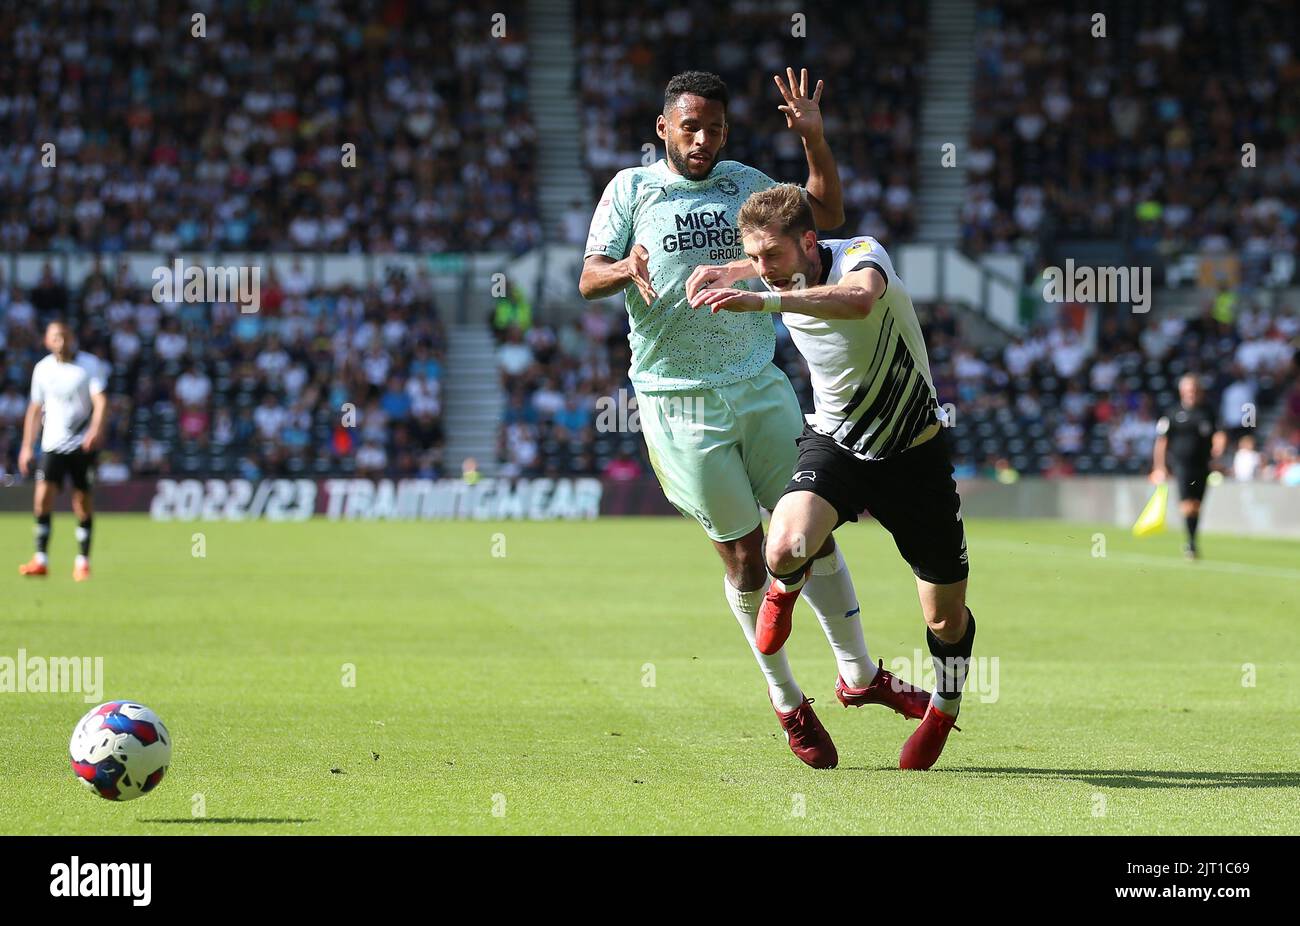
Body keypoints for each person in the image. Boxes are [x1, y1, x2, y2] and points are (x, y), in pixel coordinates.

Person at [579, 69, 850, 768]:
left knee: (808, 530)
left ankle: (859, 673)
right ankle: (788, 700)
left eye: (715, 129)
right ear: (664, 129)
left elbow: (826, 214)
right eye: (690, 127)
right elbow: (587, 278)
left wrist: (815, 140)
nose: (703, 140)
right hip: (677, 399)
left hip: (760, 385)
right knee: (744, 558)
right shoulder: (630, 190)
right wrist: (624, 268)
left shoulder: (744, 182)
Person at [690, 184, 975, 770]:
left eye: (772, 257)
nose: (763, 271)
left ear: (810, 243)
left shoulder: (862, 256)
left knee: (944, 618)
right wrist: (734, 267)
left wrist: (759, 301)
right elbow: (768, 257)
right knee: (788, 543)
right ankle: (783, 589)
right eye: (755, 258)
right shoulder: (777, 267)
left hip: (913, 456)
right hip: (837, 442)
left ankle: (942, 708)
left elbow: (861, 301)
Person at [17, 321, 109, 581]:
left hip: (81, 445)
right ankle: (41, 559)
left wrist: (95, 429)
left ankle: (82, 561)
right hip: (52, 444)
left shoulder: (89, 365)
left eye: (65, 336)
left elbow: (100, 400)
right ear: (47, 341)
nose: (61, 341)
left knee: (82, 502)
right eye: (55, 337)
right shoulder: (42, 369)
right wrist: (26, 446)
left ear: (73, 337)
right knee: (42, 499)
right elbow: (35, 410)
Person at [1151, 374, 1227, 559]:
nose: (1191, 393)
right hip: (1181, 465)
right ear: (1182, 391)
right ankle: (1191, 543)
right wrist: (1159, 466)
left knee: (1197, 505)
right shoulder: (1172, 413)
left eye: (1194, 390)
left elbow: (1219, 434)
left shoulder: (1208, 411)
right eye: (1188, 390)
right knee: (1187, 503)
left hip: (1203, 465)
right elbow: (1162, 442)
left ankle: (1192, 539)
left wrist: (1219, 449)